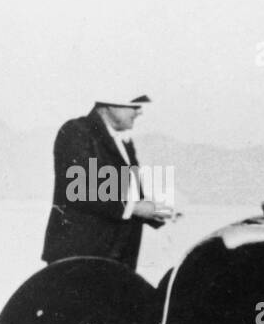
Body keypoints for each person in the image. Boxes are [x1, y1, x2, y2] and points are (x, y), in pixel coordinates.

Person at [42, 94, 170, 271]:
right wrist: (136, 208)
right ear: (109, 105)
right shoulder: (76, 131)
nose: (139, 112)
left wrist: (163, 211)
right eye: (133, 105)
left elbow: (133, 197)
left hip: (117, 260)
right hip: (79, 258)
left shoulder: (124, 142)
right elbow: (80, 191)